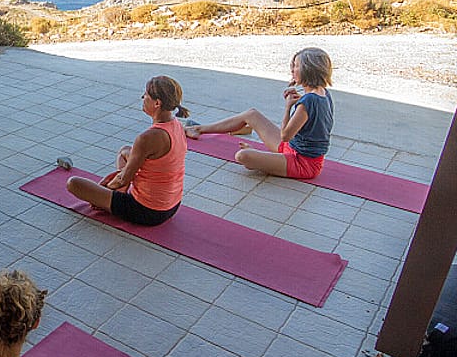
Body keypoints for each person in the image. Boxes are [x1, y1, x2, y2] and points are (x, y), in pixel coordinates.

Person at [185, 47, 333, 180]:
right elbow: (313, 113)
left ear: (309, 69)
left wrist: (288, 107)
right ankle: (198, 129)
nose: (292, 70)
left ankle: (260, 158)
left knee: (243, 156)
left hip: (302, 163)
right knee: (251, 114)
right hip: (292, 149)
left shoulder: (307, 102)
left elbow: (285, 136)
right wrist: (299, 100)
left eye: (296, 66)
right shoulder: (323, 93)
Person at [66, 75, 189, 226]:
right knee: (124, 151)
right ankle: (118, 195)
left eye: (146, 95)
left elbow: (123, 179)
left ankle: (116, 197)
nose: (142, 97)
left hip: (148, 211)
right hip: (173, 206)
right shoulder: (176, 125)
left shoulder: (148, 138)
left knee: (73, 184)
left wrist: (103, 191)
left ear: (157, 103)